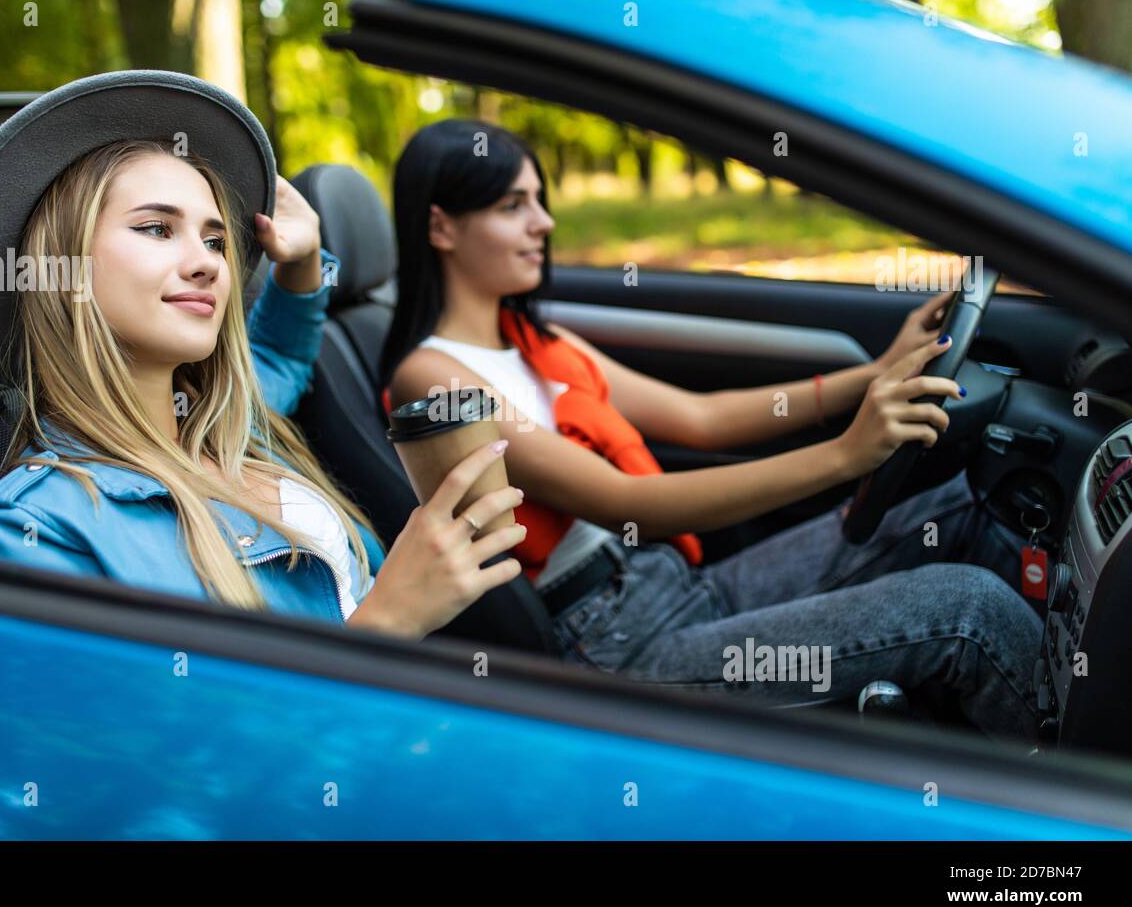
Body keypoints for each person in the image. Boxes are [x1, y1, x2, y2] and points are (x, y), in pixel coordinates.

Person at [381, 119, 1043, 740]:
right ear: (441, 227)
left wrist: (874, 374)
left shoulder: (530, 339)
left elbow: (702, 417)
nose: (545, 222)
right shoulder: (432, 377)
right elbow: (623, 502)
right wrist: (845, 455)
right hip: (615, 645)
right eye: (512, 206)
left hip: (674, 586)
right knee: (967, 610)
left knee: (958, 502)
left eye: (539, 200)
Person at [0, 72, 526, 641]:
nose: (207, 263)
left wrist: (302, 262)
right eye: (157, 229)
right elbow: (149, 731)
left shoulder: (224, 420)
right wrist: (385, 625)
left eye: (214, 240)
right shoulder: (38, 528)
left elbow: (279, 354)